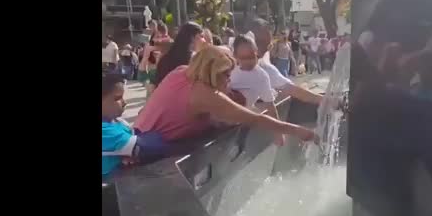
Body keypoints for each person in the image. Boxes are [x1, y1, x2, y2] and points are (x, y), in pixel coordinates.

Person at [133, 45, 316, 161]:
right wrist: (298, 130)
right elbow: (253, 119)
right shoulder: (205, 94)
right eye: (227, 76)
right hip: (151, 151)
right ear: (213, 72)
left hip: (138, 135)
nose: (229, 81)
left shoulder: (181, 72)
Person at [102, 74, 137, 178]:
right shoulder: (105, 131)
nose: (124, 102)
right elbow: (145, 146)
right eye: (118, 98)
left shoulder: (118, 121)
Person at [152, 22, 204, 87]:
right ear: (193, 38)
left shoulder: (165, 59)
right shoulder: (194, 60)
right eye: (201, 36)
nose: (204, 40)